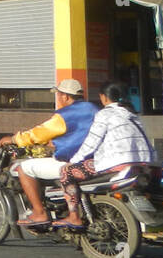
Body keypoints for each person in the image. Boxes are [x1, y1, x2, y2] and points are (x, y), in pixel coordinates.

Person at [56, 82, 155, 229]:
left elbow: (92, 142)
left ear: (103, 97)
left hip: (117, 163)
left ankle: (73, 216)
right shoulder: (133, 114)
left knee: (66, 171)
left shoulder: (105, 114)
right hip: (143, 162)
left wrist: (73, 161)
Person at [9, 78, 100, 226]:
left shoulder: (64, 115)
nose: (57, 98)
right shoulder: (94, 109)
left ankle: (39, 213)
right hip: (94, 161)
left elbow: (39, 133)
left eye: (58, 94)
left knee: (23, 168)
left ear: (65, 96)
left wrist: (14, 139)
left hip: (70, 162)